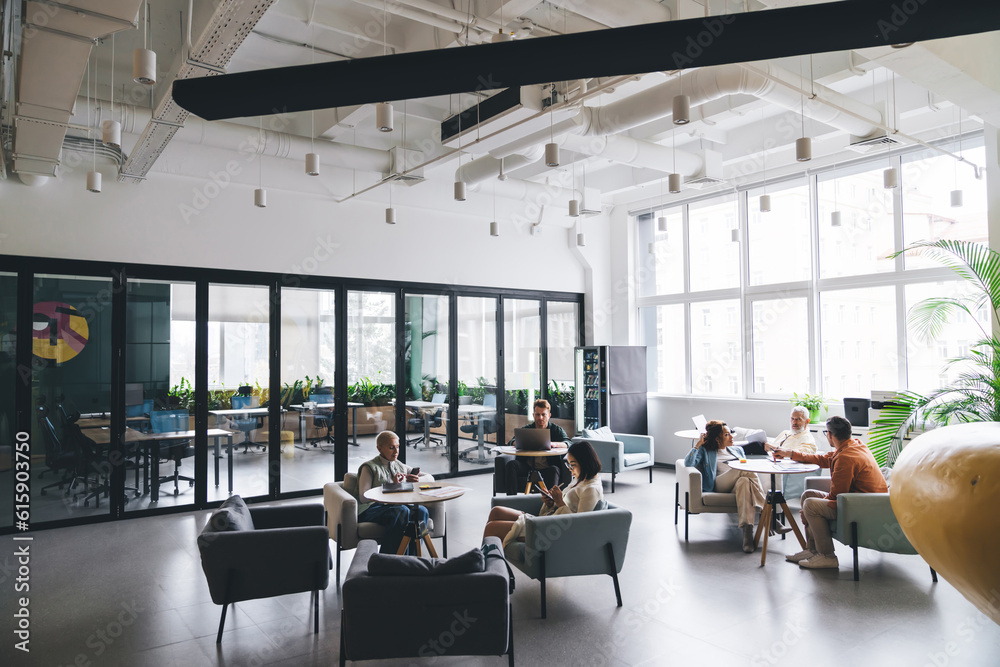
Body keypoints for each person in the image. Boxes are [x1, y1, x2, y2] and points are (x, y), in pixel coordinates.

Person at [775, 415, 888, 570]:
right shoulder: (854, 445)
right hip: (860, 500)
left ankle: (828, 556)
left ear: (829, 434)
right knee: (808, 495)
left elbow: (836, 496)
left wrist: (806, 511)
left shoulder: (846, 457)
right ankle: (811, 550)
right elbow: (823, 459)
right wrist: (790, 453)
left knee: (810, 505)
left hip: (863, 507)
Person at [483, 440, 604, 543]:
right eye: (569, 465)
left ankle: (486, 565)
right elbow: (567, 507)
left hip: (550, 531)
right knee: (496, 511)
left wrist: (560, 502)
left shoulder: (591, 490)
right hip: (547, 520)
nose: (571, 470)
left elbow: (579, 526)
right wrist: (551, 503)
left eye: (573, 465)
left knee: (492, 528)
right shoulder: (580, 480)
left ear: (585, 463)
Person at [684, 420, 766, 553]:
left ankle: (747, 535)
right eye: (727, 435)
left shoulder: (737, 450)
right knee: (741, 468)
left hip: (736, 484)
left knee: (745, 481)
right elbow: (688, 463)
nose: (732, 437)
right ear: (717, 439)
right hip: (719, 484)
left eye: (730, 433)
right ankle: (768, 511)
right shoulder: (706, 450)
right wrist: (698, 444)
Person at [354, 430, 428, 555]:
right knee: (400, 511)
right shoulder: (369, 467)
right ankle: (389, 560)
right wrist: (392, 486)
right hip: (370, 508)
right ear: (379, 448)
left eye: (397, 447)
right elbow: (363, 497)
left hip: (394, 505)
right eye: (391, 447)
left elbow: (429, 477)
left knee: (421, 511)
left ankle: (413, 558)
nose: (396, 451)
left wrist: (417, 479)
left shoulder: (399, 465)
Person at [504, 399, 570, 494]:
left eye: (543, 414)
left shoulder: (556, 430)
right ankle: (511, 500)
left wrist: (554, 444)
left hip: (547, 468)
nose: (540, 418)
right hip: (528, 466)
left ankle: (550, 502)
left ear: (549, 416)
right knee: (511, 465)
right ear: (533, 415)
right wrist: (520, 442)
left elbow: (568, 442)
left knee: (555, 470)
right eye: (537, 414)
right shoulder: (527, 429)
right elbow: (511, 442)